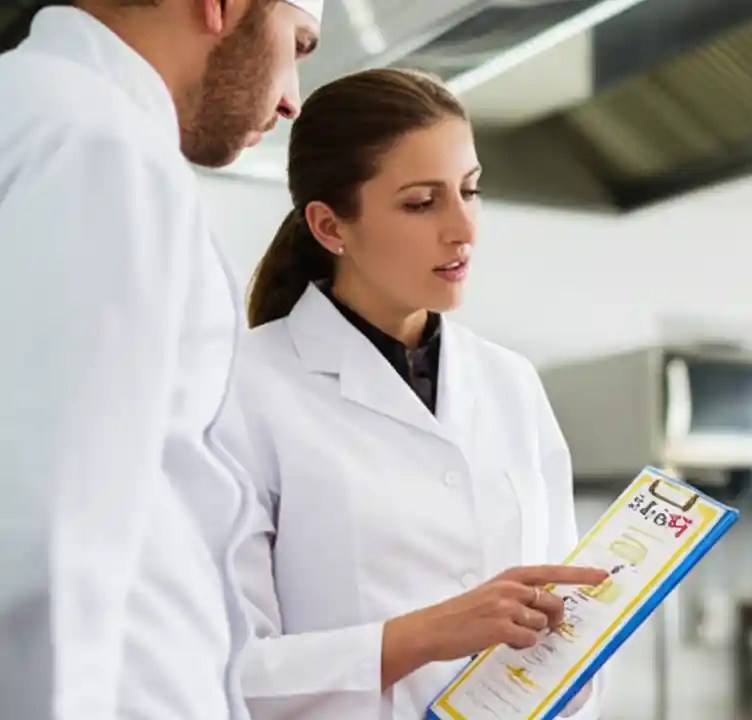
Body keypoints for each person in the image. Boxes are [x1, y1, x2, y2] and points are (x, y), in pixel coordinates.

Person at [212, 67, 609, 719]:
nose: (464, 229)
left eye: (470, 191)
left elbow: (562, 640)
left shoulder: (510, 383)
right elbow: (224, 672)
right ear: (331, 226)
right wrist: (422, 636)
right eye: (422, 202)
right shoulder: (239, 386)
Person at [0, 0, 322, 717]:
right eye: (297, 44)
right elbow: (51, 532)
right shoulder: (96, 142)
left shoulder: (31, 107)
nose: (294, 99)